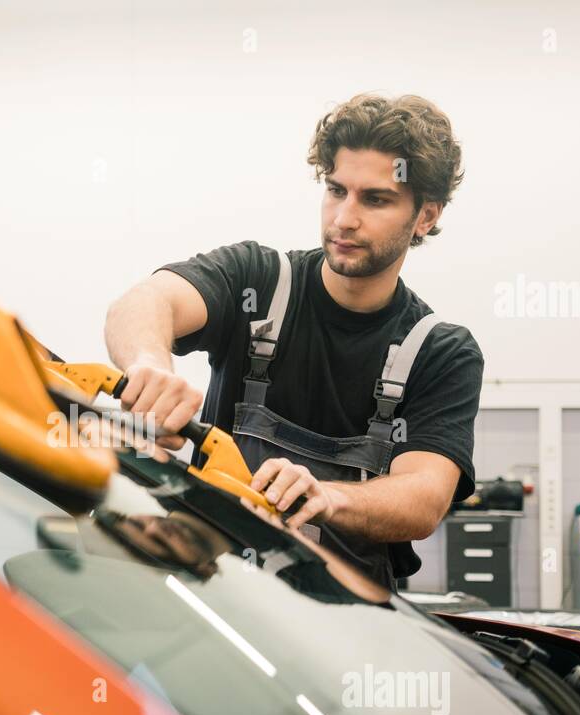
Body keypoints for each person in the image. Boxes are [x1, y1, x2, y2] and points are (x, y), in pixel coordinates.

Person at [103, 93, 483, 589]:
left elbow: (424, 497)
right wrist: (149, 363)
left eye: (375, 199)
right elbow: (144, 302)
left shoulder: (439, 352)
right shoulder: (258, 282)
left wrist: (327, 498)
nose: (344, 218)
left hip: (347, 629)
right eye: (336, 190)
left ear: (425, 216)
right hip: (219, 596)